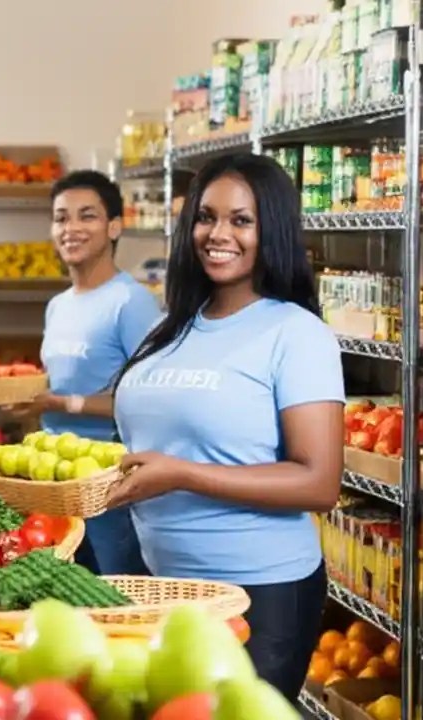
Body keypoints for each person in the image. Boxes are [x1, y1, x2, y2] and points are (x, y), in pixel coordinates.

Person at [106, 152, 344, 703]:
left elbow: (318, 482)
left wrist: (181, 475)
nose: (218, 234)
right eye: (205, 217)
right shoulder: (172, 329)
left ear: (271, 229)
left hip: (258, 592)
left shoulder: (296, 333)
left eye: (241, 220)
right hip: (159, 581)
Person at [7, 170, 162, 576]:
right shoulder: (58, 305)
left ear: (114, 226)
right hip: (54, 479)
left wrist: (62, 403)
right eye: (61, 218)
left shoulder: (131, 303)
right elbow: (59, 386)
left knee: (113, 595)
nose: (71, 228)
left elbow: (148, 402)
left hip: (108, 483)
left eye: (86, 216)